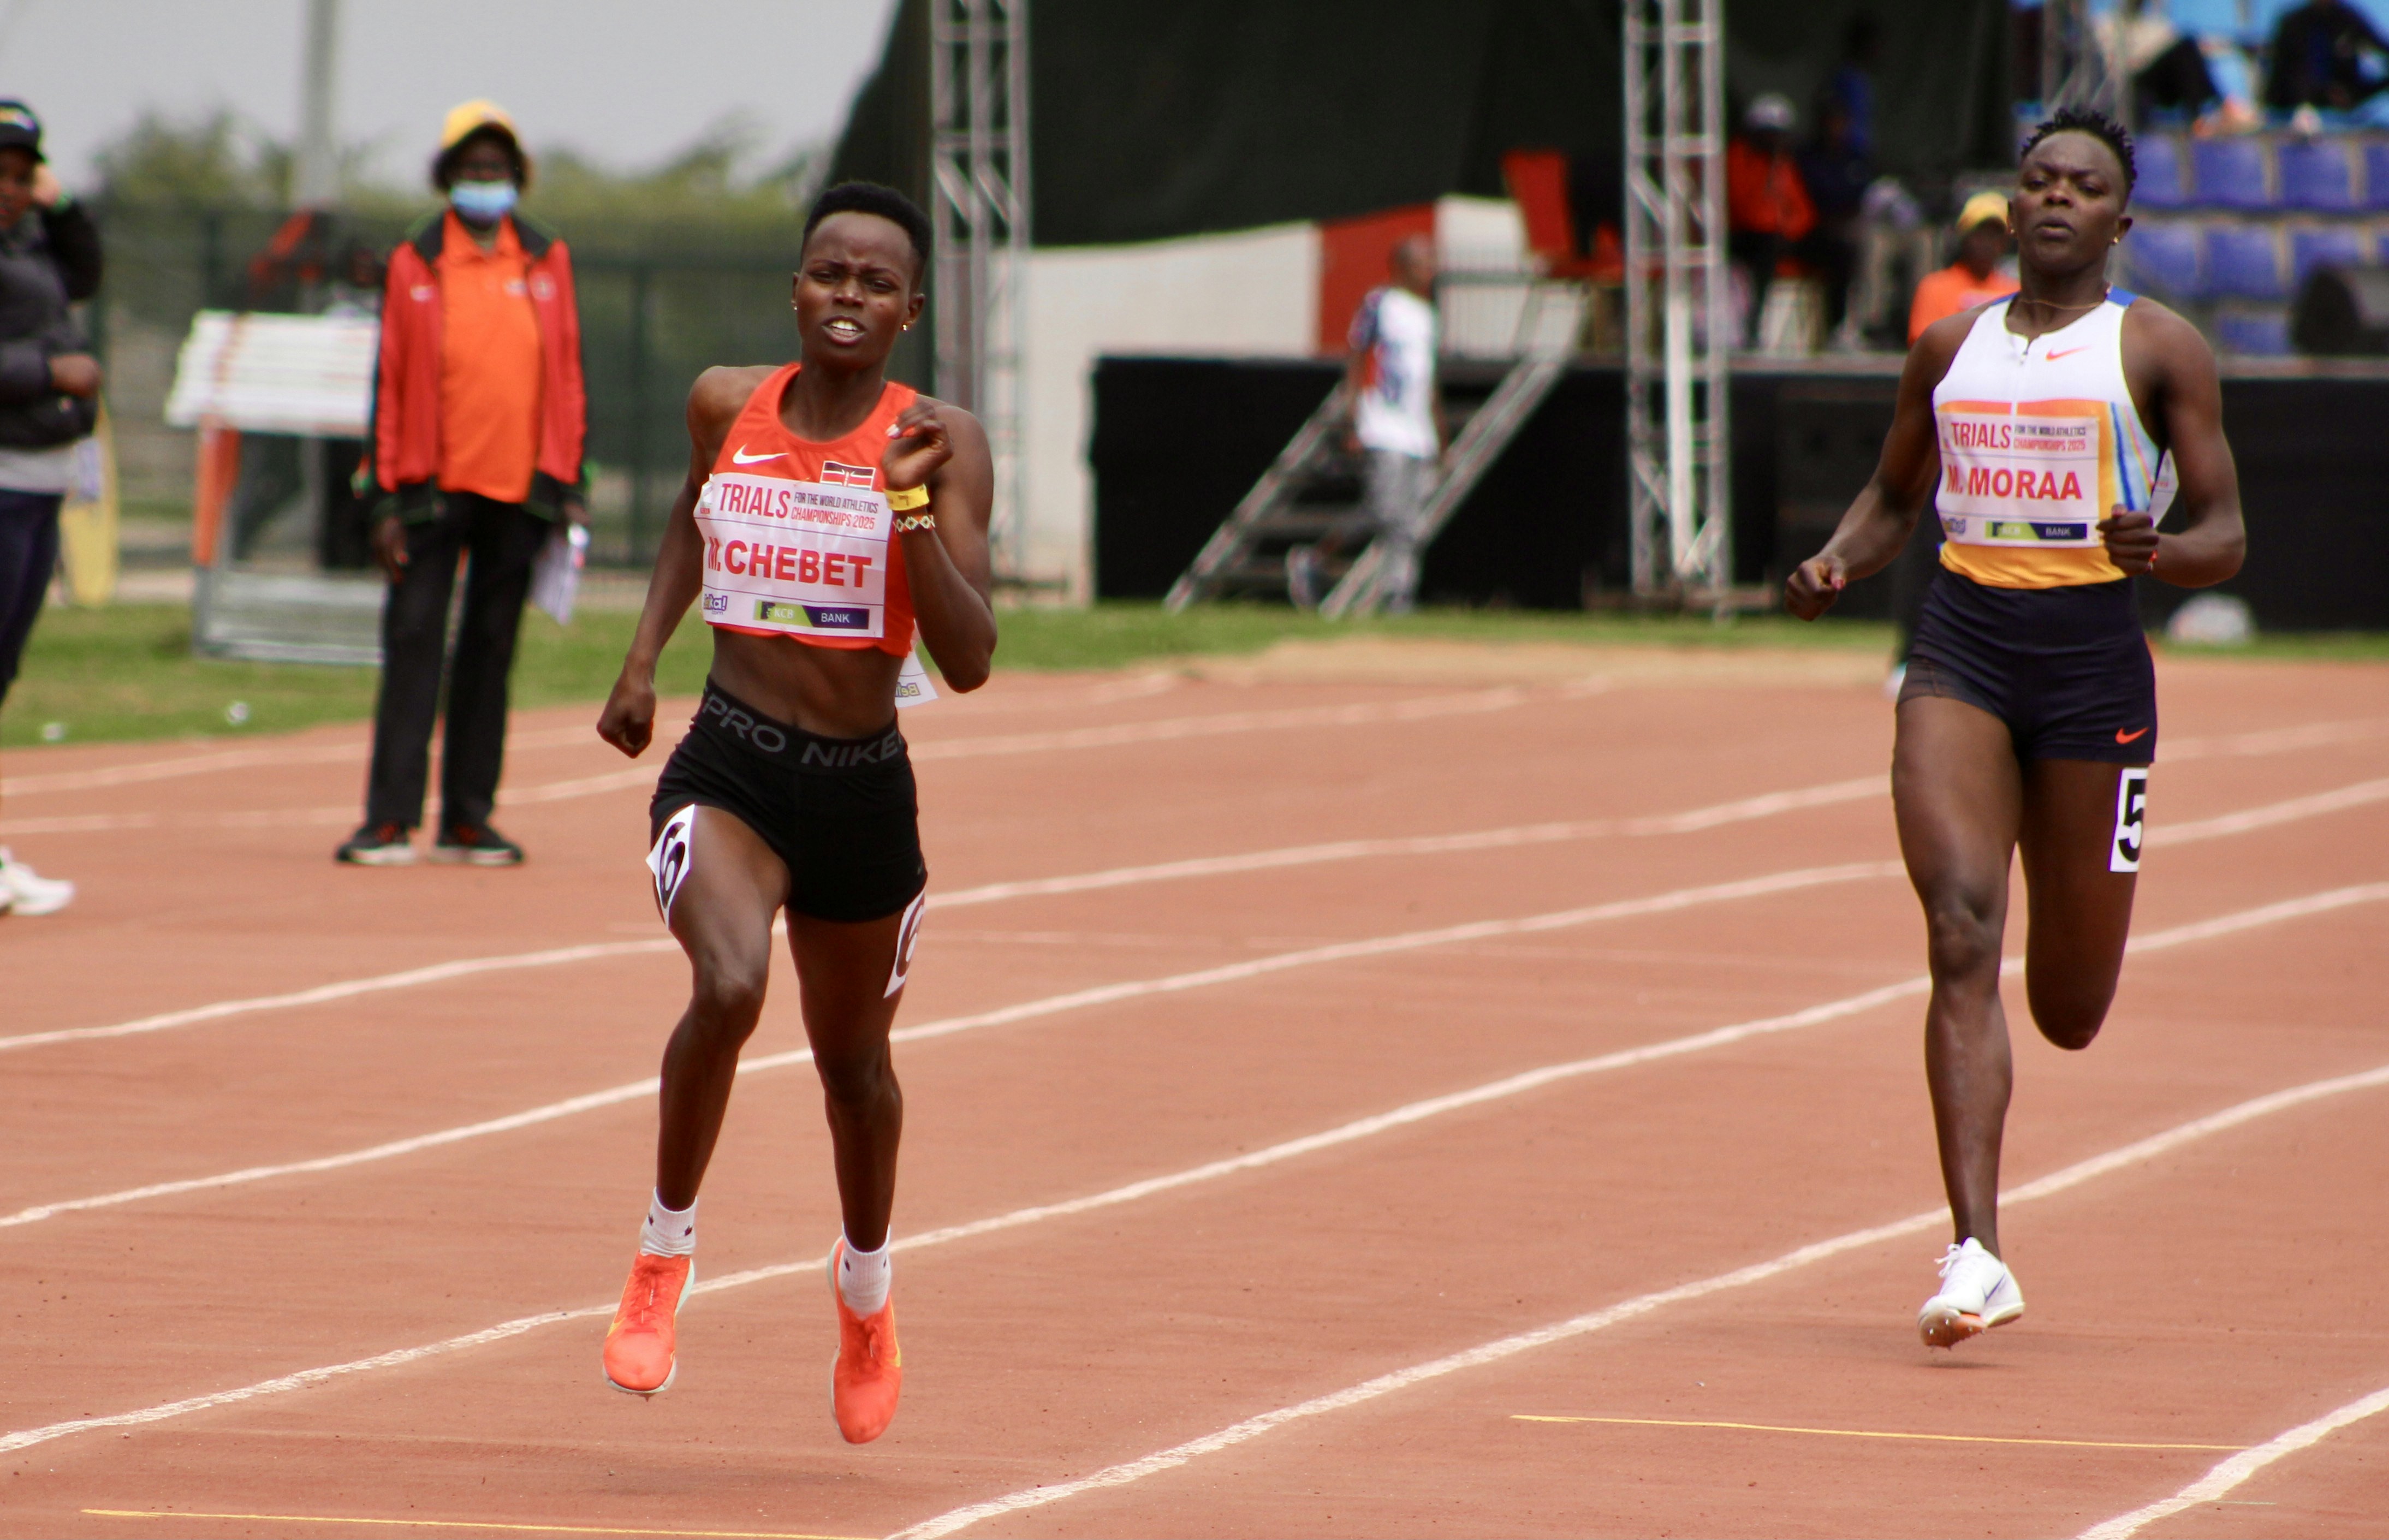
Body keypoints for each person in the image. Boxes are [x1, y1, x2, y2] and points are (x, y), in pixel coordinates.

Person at [1784, 109, 2245, 1349]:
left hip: (2095, 676)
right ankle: (1977, 1248)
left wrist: (2166, 551)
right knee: (1956, 928)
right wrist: (1834, 562)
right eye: (2036, 180)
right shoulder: (1948, 346)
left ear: (2118, 220)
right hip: (1963, 652)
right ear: (2012, 204)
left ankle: (2004, 1168)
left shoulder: (2157, 352)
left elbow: (2225, 533)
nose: (2053, 200)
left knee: (2071, 1006)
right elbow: (1894, 498)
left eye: (2081, 187)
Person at [591, 182, 995, 1444]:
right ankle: (663, 1255)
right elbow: (689, 516)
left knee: (855, 1074)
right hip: (733, 762)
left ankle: (865, 1288)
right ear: (795, 287)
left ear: (911, 311)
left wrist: (913, 507)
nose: (849, 296)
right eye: (830, 272)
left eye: (877, 283)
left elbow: (972, 656)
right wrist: (643, 656)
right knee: (725, 987)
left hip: (864, 789)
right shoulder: (728, 402)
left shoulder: (941, 436)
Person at [338, 101, 587, 867]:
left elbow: (568, 375)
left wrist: (569, 480)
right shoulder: (416, 257)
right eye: (473, 170)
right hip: (430, 487)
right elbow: (391, 382)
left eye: (499, 170)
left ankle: (470, 816)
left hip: (519, 488)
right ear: (448, 177)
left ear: (518, 179)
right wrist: (386, 496)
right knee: (413, 643)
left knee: (490, 648)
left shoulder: (545, 259)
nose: (486, 182)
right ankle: (388, 818)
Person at [0, 99, 97, 919]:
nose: (10, 187)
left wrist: (59, 206)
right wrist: (46, 371)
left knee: (4, 667)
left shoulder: (32, 241)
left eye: (22, 174)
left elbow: (88, 270)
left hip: (40, 477)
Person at [1288, 234, 1444, 613]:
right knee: (1385, 510)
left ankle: (1399, 595)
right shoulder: (1381, 304)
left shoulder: (1428, 315)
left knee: (1409, 521)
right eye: (1424, 262)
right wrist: (1353, 414)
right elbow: (1358, 355)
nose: (1431, 270)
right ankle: (1316, 558)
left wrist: (1442, 434)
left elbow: (1429, 380)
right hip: (1386, 424)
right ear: (1404, 267)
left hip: (1418, 431)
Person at [1727, 94, 1853, 347]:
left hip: (1783, 235)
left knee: (1839, 251)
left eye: (1780, 134)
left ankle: (1836, 330)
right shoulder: (1737, 158)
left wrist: (1792, 230)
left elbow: (1804, 211)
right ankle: (1754, 327)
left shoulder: (1783, 163)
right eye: (1770, 134)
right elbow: (1744, 208)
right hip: (1747, 237)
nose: (1776, 140)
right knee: (1767, 249)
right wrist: (1776, 224)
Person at [1908, 191, 2020, 344]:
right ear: (1964, 238)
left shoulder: (2015, 292)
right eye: (1980, 234)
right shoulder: (1934, 288)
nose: (1988, 243)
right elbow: (1922, 344)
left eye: (1995, 235)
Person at [2265, 0, 2389, 113]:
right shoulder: (2293, 23)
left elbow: (2379, 45)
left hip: (2346, 92)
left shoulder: (2347, 18)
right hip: (2301, 99)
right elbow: (2285, 73)